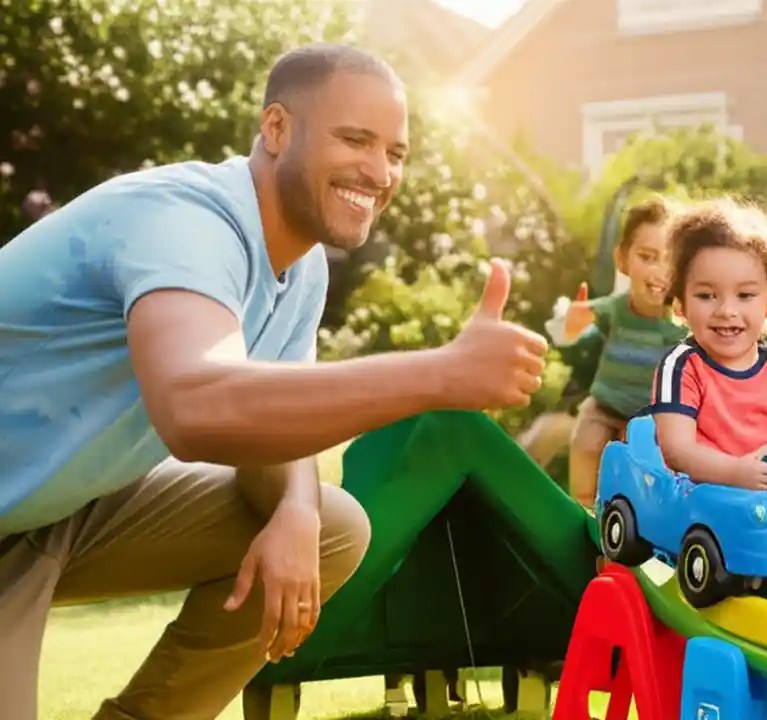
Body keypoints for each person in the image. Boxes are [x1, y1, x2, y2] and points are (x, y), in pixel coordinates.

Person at [0, 44, 548, 720]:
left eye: (396, 153)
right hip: (22, 517)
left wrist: (294, 508)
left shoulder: (302, 267)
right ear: (278, 129)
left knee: (328, 524)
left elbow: (271, 426)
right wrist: (438, 373)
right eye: (355, 140)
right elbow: (195, 406)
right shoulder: (188, 223)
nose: (378, 172)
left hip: (54, 513)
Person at [647, 198, 767, 490]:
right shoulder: (682, 366)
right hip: (700, 496)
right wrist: (735, 473)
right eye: (707, 295)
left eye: (745, 295)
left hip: (765, 497)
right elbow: (677, 451)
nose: (727, 310)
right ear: (680, 304)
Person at [557, 198, 688, 507]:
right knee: (586, 442)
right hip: (605, 405)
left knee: (644, 468)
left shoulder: (684, 323)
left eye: (670, 260)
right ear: (622, 259)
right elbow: (569, 332)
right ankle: (583, 508)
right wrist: (570, 322)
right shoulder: (616, 308)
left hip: (650, 419)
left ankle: (640, 517)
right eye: (647, 257)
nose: (659, 271)